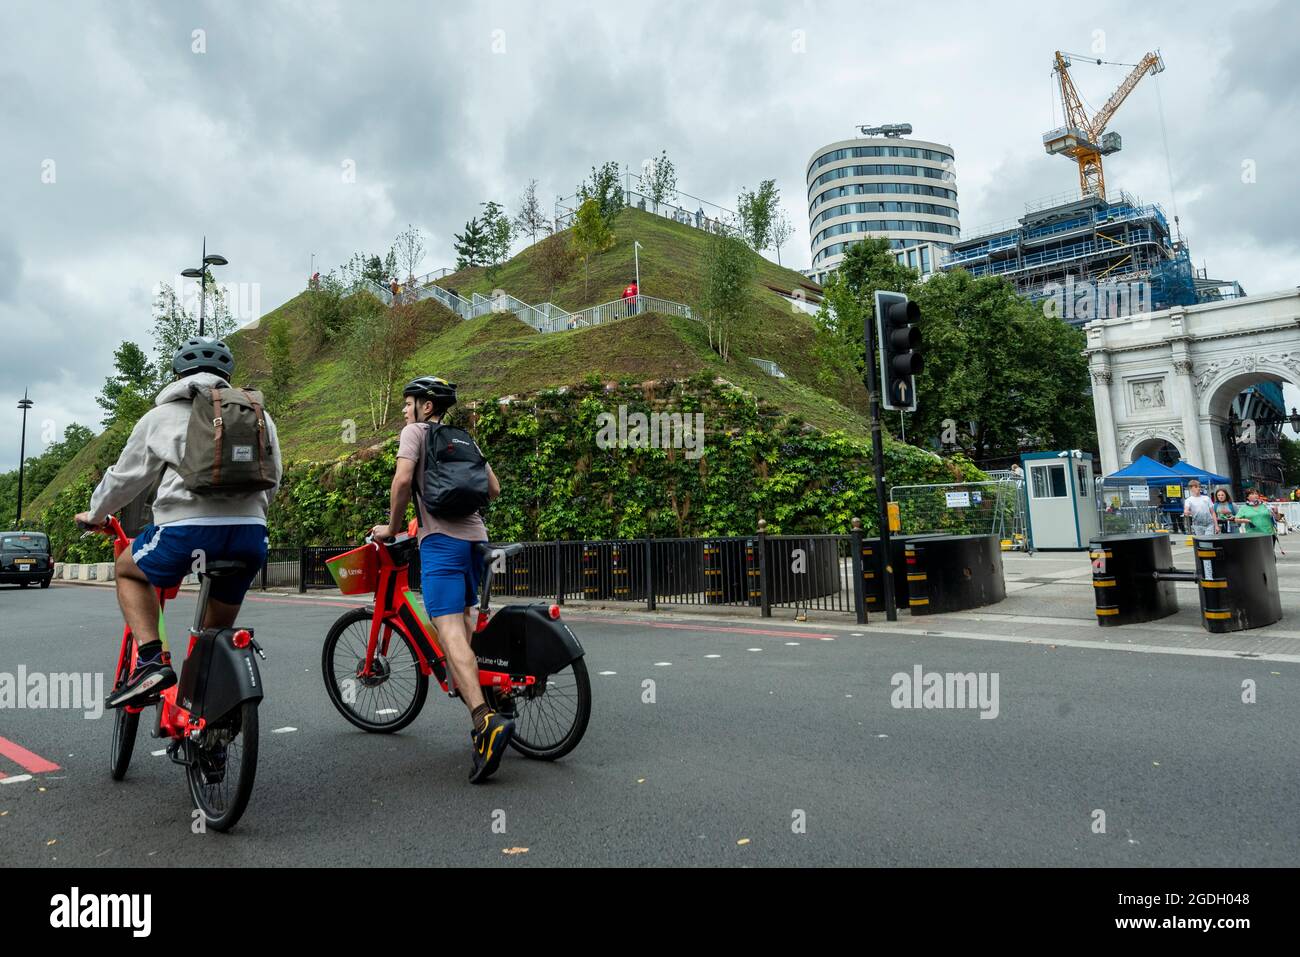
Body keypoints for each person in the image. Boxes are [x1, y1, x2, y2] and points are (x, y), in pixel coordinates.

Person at [75, 338, 282, 707]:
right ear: (227, 376)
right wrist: (252, 515)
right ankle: (211, 730)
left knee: (127, 571)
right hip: (250, 535)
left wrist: (95, 514)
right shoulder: (257, 414)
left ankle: (151, 661)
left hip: (186, 533)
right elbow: (274, 477)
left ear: (178, 374)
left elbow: (125, 479)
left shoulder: (159, 417)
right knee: (214, 635)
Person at [371, 376, 512, 783]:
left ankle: (484, 722)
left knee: (448, 630)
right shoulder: (463, 437)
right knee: (467, 624)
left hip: (443, 544)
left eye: (408, 402)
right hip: (477, 540)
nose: (404, 409)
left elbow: (401, 483)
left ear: (426, 407)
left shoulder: (413, 433)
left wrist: (395, 528)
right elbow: (494, 488)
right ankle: (497, 692)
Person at [1234, 488, 1286, 555]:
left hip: (1268, 533)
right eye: (1252, 494)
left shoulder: (1266, 505)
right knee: (1256, 555)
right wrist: (1244, 520)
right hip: (1252, 535)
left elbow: (1278, 518)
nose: (1255, 495)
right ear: (1247, 497)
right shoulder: (1244, 508)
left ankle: (1271, 565)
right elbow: (1236, 520)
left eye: (1256, 493)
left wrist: (1276, 512)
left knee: (1269, 554)